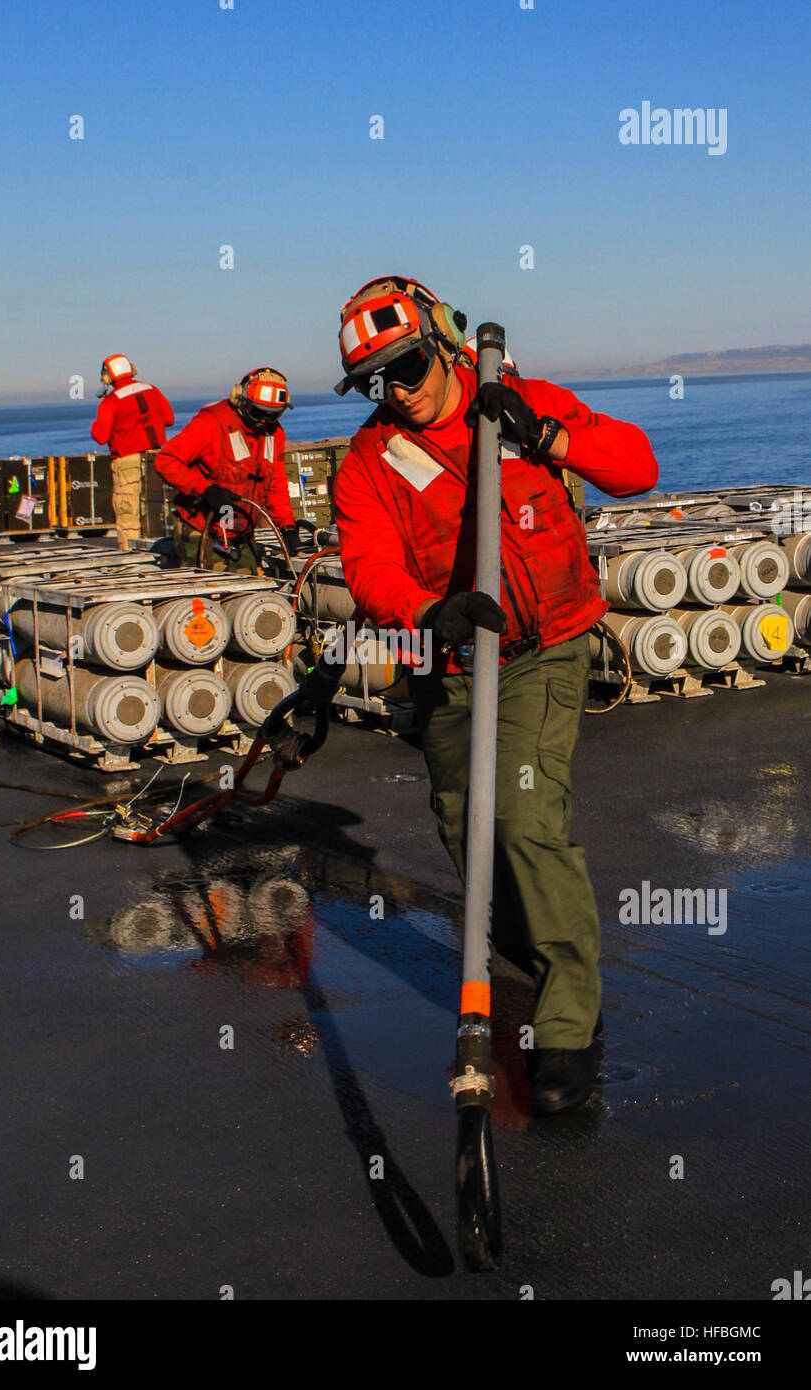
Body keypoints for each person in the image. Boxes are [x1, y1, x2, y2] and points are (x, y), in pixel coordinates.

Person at [330, 275, 659, 1116]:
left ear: (442, 341)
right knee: (467, 836)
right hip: (448, 659)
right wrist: (427, 611)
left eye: (406, 368)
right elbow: (369, 567)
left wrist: (549, 438)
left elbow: (638, 468)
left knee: (519, 819)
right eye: (377, 381)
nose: (396, 392)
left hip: (541, 648)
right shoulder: (369, 463)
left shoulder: (520, 404)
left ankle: (567, 1026)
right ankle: (540, 953)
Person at [152, 367, 302, 571]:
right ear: (241, 401)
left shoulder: (274, 434)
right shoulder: (211, 423)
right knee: (205, 591)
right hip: (202, 527)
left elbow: (275, 483)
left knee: (247, 588)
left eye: (273, 415)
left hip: (241, 531)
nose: (264, 421)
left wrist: (287, 525)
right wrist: (206, 490)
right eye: (258, 413)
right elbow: (166, 460)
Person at [90, 354, 175, 549]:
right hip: (157, 459)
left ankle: (130, 557)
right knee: (156, 510)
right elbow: (169, 418)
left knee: (128, 513)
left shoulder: (111, 401)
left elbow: (100, 436)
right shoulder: (152, 390)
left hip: (128, 461)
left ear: (108, 377)